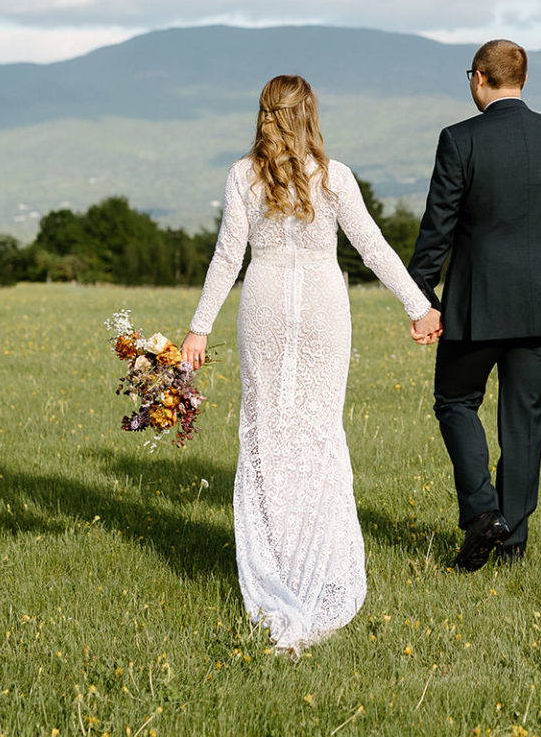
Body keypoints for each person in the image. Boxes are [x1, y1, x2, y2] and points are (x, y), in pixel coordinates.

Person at [181, 74, 439, 654]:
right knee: (319, 429)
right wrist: (419, 307)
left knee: (268, 430)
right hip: (323, 305)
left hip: (266, 303)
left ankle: (278, 562)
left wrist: (199, 328)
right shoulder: (335, 176)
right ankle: (316, 564)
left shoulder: (242, 175)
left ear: (264, 113)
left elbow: (227, 257)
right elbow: (373, 247)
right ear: (310, 113)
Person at [406, 39, 541, 572]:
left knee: (455, 401)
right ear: (523, 78)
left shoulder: (459, 139)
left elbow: (438, 226)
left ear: (478, 79)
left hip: (478, 305)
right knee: (525, 419)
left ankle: (483, 515)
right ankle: (511, 542)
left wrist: (420, 295)